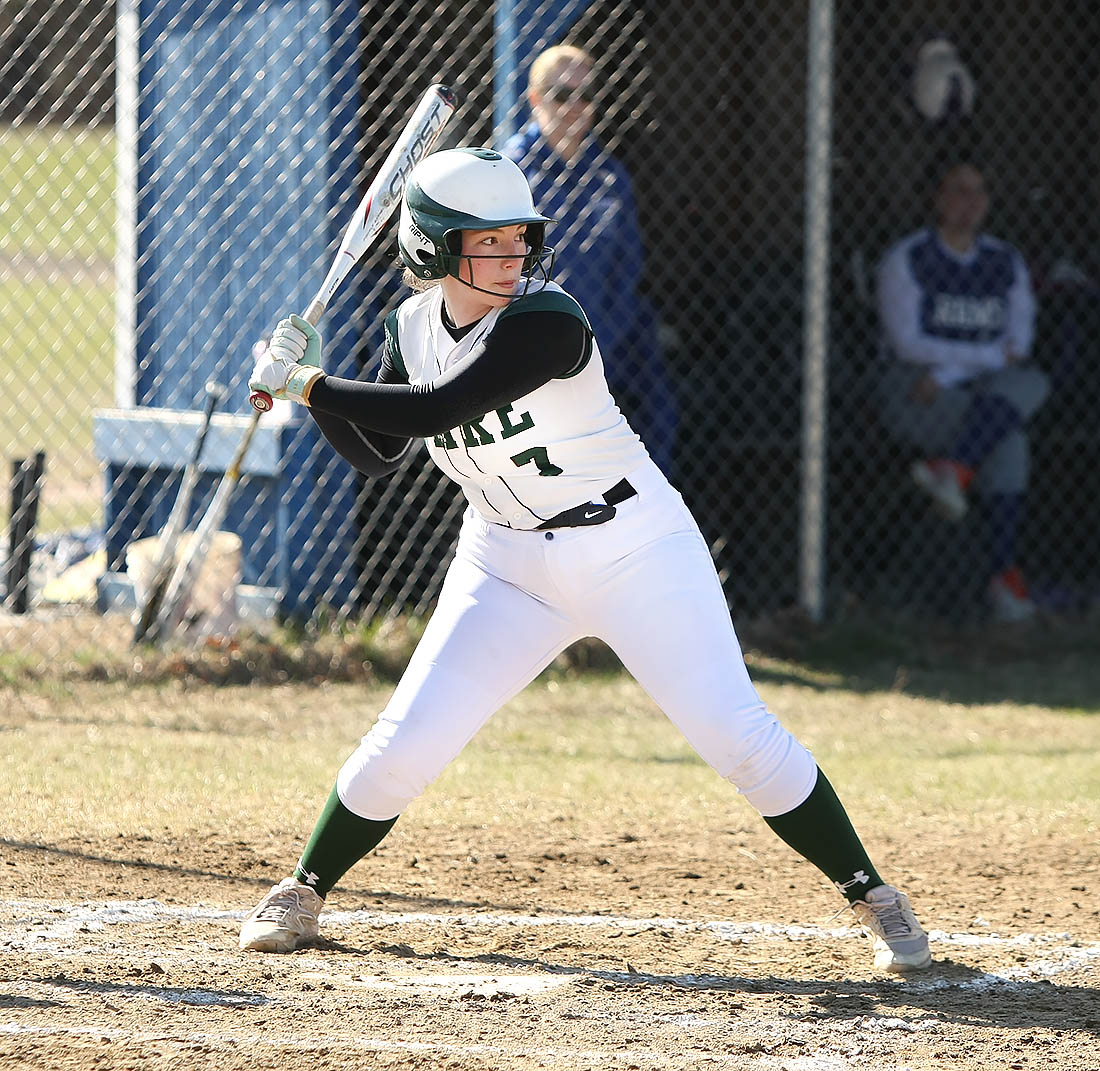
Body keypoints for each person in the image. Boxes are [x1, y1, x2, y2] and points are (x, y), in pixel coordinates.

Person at [242, 147, 931, 973]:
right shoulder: (409, 328)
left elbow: (440, 408)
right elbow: (380, 454)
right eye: (483, 241)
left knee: (736, 733)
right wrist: (297, 388)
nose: (508, 257)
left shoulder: (549, 321)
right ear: (432, 248)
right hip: (505, 558)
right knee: (407, 739)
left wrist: (311, 384)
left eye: (514, 239)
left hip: (633, 547)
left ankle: (872, 892)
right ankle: (304, 885)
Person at [877, 162, 1050, 622]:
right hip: (917, 394)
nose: (969, 202)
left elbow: (1022, 346)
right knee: (1007, 435)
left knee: (1033, 381)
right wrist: (979, 362)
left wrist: (950, 370)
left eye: (979, 192)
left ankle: (953, 469)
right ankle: (1003, 574)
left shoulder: (1005, 261)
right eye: (957, 191)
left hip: (960, 386)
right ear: (937, 199)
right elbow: (907, 343)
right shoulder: (907, 258)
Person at [502, 44, 678, 477]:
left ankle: (645, 510)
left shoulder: (609, 175)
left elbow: (628, 270)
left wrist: (601, 344)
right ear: (536, 100)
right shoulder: (509, 174)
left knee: (659, 399)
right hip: (526, 346)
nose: (575, 106)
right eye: (562, 94)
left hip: (603, 342)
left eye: (585, 95)